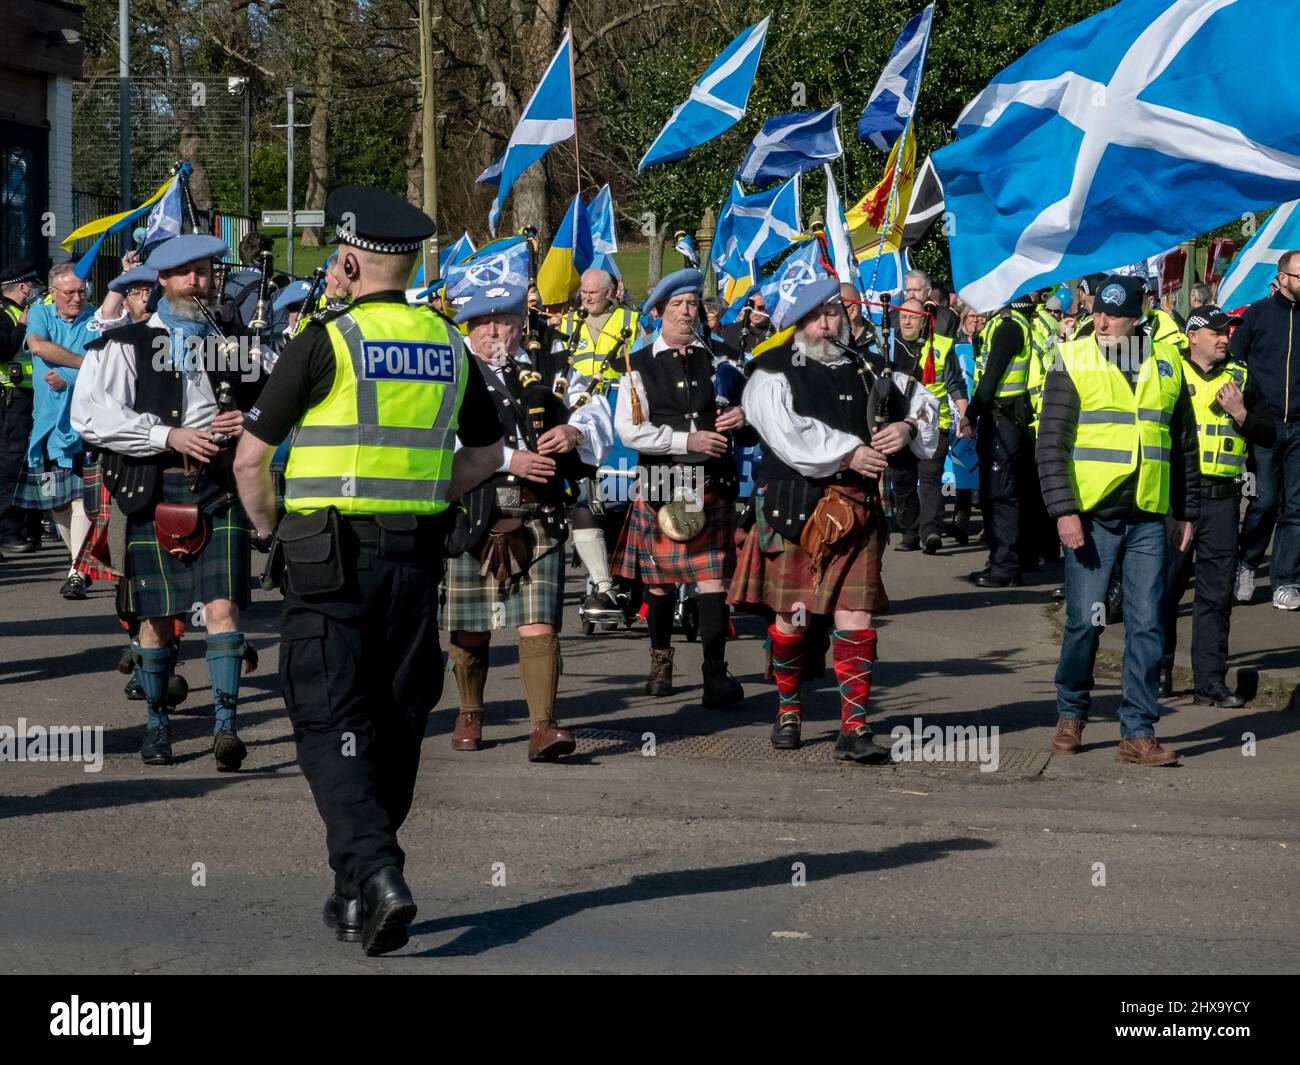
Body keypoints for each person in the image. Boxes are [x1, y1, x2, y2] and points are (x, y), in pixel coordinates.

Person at [234, 185, 504, 957]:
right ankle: (355, 887)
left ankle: (380, 871)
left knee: (328, 722)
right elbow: (484, 455)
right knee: (393, 721)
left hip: (326, 563)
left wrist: (268, 529)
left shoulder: (325, 340)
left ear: (350, 261)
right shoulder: (450, 344)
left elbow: (251, 458)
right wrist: (426, 491)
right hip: (415, 562)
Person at [73, 234, 256, 773]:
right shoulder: (122, 345)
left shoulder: (235, 345)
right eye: (186, 274)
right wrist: (166, 436)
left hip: (217, 489)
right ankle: (158, 725)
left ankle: (226, 727)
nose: (198, 282)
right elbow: (89, 417)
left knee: (223, 608)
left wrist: (249, 420)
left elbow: (275, 408)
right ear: (163, 282)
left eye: (205, 272)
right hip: (154, 488)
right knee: (154, 617)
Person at [731, 278, 935, 760]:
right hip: (795, 510)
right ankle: (788, 709)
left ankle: (854, 727)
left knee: (856, 617)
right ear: (796, 325)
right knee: (791, 622)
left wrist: (906, 428)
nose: (827, 324)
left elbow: (925, 405)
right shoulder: (771, 373)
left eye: (832, 313)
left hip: (858, 511)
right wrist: (850, 452)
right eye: (815, 316)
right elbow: (791, 438)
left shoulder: (870, 367)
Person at [443, 281, 613, 760]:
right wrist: (508, 459)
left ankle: (543, 725)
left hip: (539, 512)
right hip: (475, 512)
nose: (497, 331)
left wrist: (574, 430)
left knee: (538, 623)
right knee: (471, 626)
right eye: (485, 322)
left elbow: (595, 408)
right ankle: (470, 712)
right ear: (469, 326)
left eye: (507, 321)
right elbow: (440, 437)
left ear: (523, 324)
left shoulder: (552, 365)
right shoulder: (454, 371)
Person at [1037, 275, 1200, 767]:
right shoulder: (1074, 359)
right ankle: (1071, 713)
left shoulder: (1169, 364)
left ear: (1138, 319)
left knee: (1148, 624)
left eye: (1113, 316)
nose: (1101, 322)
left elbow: (1184, 444)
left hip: (1149, 518)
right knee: (1086, 623)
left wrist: (1185, 512)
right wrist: (1064, 511)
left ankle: (1138, 731)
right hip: (1091, 519)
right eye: (1097, 313)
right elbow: (1052, 444)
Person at [612, 268, 748, 705]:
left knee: (713, 581)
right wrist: (685, 440)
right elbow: (631, 431)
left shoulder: (723, 358)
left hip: (712, 479)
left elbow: (757, 409)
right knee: (659, 584)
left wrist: (743, 417)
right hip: (662, 480)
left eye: (693, 304)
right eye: (677, 306)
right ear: (658, 313)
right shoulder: (637, 365)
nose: (688, 313)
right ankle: (660, 662)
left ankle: (714, 673)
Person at [1159, 305, 1274, 706]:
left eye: (1228, 331)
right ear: (1193, 336)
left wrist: (1241, 413)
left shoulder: (1240, 377)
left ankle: (1210, 681)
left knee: (1215, 594)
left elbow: (1268, 432)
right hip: (1174, 499)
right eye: (1216, 331)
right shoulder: (1168, 372)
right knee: (1165, 590)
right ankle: (1159, 672)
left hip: (1223, 500)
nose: (1225, 337)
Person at [20, 262, 99, 597]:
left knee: (81, 498)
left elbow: (105, 367)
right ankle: (76, 559)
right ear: (53, 293)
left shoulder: (96, 318)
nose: (78, 298)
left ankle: (77, 571)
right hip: (47, 427)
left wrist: (67, 374)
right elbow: (38, 346)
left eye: (82, 291)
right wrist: (83, 363)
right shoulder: (40, 313)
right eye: (70, 292)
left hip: (87, 424)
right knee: (58, 504)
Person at [1231, 248, 1300, 609]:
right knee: (1265, 500)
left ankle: (1286, 581)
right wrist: (1245, 407)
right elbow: (1234, 361)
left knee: (1297, 508)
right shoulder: (1257, 315)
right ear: (1283, 278)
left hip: (1299, 426)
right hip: (1265, 425)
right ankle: (1246, 563)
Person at [958, 294, 1036, 586]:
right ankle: (1005, 562)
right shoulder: (1002, 324)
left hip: (1003, 419)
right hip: (1003, 419)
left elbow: (989, 381)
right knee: (1003, 491)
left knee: (1001, 493)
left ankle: (1005, 566)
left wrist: (971, 415)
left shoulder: (1007, 327)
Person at [879, 298, 965, 552]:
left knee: (929, 479)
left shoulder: (941, 346)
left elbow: (956, 384)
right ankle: (910, 532)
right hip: (899, 424)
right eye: (902, 316)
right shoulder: (889, 346)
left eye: (912, 317)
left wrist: (965, 416)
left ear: (923, 320)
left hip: (933, 424)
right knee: (903, 480)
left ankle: (930, 532)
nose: (906, 321)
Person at [0, 261, 43, 555]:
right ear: (22, 286)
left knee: (28, 463)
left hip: (30, 397)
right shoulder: (5, 315)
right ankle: (7, 530)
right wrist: (22, 326)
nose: (37, 291)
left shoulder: (21, 313)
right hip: (11, 398)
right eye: (33, 286)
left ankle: (28, 527)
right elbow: (2, 350)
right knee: (10, 465)